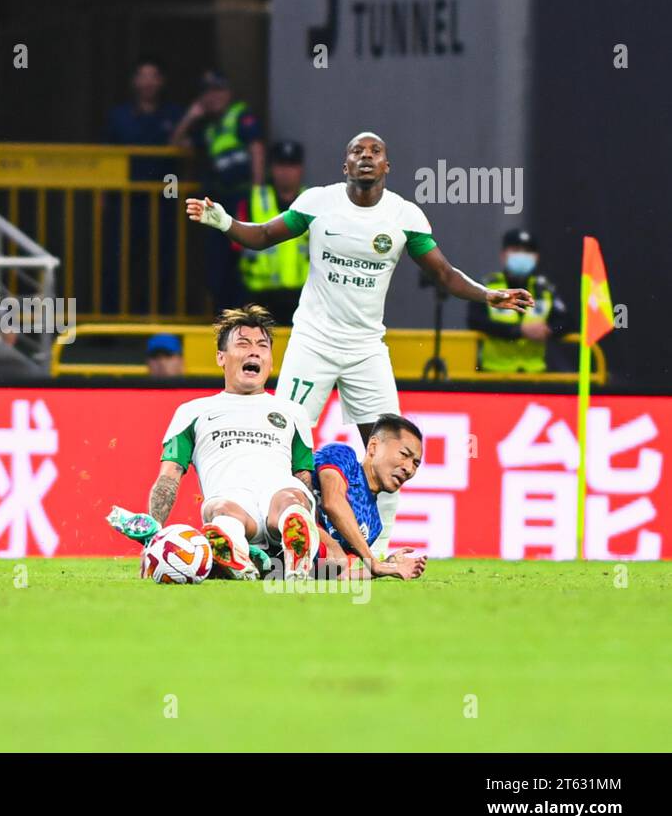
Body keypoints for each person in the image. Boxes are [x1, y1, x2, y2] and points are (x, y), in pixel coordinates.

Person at [185, 132, 533, 558]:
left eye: (375, 152)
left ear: (387, 166)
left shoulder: (404, 217)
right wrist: (223, 221)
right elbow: (262, 236)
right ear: (344, 166)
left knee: (391, 448)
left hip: (366, 348)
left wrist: (489, 295)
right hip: (312, 342)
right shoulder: (318, 203)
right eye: (357, 152)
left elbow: (444, 274)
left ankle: (379, 550)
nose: (366, 157)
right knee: (279, 440)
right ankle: (272, 541)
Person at [108, 305, 320, 579]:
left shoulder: (292, 412)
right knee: (222, 511)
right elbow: (169, 476)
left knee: (290, 500)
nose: (254, 351)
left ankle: (296, 550)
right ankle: (236, 554)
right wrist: (155, 531)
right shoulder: (192, 412)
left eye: (262, 346)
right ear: (221, 357)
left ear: (269, 358)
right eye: (243, 344)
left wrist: (315, 525)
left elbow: (303, 477)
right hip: (231, 498)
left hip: (278, 496)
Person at [172, 71, 265, 314]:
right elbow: (175, 143)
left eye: (218, 90)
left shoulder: (240, 115)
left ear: (228, 92)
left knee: (242, 258)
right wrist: (191, 117)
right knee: (217, 262)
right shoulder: (207, 127)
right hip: (218, 201)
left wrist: (256, 192)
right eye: (208, 92)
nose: (213, 97)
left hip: (243, 198)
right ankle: (223, 317)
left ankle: (245, 316)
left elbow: (256, 149)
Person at [100, 57, 184, 314]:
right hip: (124, 202)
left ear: (161, 81)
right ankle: (112, 320)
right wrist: (103, 196)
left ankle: (159, 319)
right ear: (135, 81)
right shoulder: (118, 116)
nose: (148, 82)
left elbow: (185, 143)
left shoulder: (174, 115)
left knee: (162, 260)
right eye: (143, 76)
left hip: (163, 200)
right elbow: (106, 157)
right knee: (118, 261)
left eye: (153, 76)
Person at [312, 414, 427, 580]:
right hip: (273, 523)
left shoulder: (374, 524)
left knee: (336, 559)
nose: (409, 468)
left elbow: (338, 574)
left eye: (416, 463)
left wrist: (388, 565)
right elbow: (333, 502)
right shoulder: (343, 456)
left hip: (294, 563)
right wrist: (373, 561)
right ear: (373, 446)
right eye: (403, 454)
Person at [467, 228, 568, 373]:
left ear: (537, 257)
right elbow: (475, 320)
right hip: (493, 373)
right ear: (503, 255)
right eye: (516, 250)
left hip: (535, 374)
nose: (522, 255)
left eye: (527, 251)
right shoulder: (488, 286)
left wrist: (549, 330)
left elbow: (566, 322)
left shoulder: (545, 289)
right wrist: (519, 331)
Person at [237, 139, 309, 325]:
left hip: (304, 299)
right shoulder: (253, 200)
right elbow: (235, 248)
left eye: (292, 166)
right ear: (272, 168)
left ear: (300, 169)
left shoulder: (313, 202)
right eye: (281, 165)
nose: (286, 172)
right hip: (259, 299)